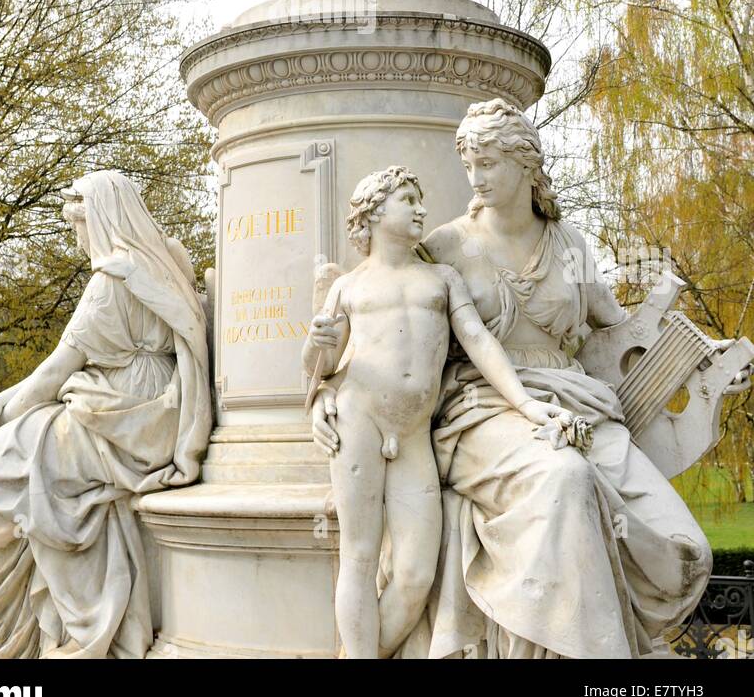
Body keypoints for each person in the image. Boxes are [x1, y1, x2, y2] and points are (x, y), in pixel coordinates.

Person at [312, 101, 713, 659]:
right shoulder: (445, 248)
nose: (475, 178)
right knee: (564, 479)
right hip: (483, 408)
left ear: (525, 163)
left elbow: (618, 329)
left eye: (489, 163)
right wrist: (325, 390)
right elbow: (388, 333)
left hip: (576, 404)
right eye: (468, 165)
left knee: (685, 547)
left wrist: (705, 363)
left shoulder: (569, 244)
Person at [0, 170, 211, 660]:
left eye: (78, 226)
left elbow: (52, 374)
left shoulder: (111, 281)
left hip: (118, 422)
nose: (77, 237)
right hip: (154, 417)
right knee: (25, 444)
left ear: (98, 220)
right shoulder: (164, 262)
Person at [303, 165, 575, 659]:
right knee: (359, 556)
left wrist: (525, 402)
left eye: (419, 199)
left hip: (413, 434)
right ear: (374, 211)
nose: (421, 209)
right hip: (358, 424)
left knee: (414, 574)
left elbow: (479, 341)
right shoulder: (348, 287)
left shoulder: (442, 278)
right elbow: (321, 367)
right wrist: (314, 348)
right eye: (408, 199)